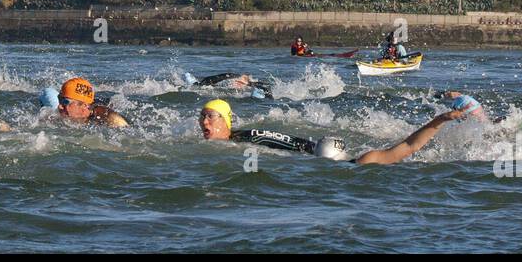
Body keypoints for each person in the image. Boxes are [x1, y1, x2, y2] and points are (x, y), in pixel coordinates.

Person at [198, 98, 469, 165]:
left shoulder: (364, 161)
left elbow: (408, 148)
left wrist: (440, 120)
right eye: (202, 117)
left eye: (210, 117)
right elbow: (408, 148)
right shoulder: (359, 161)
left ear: (227, 121)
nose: (204, 123)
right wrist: (440, 119)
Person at [55, 78, 129, 128]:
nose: (59, 106)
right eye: (60, 99)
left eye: (65, 102)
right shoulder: (63, 114)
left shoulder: (110, 118)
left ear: (84, 105)